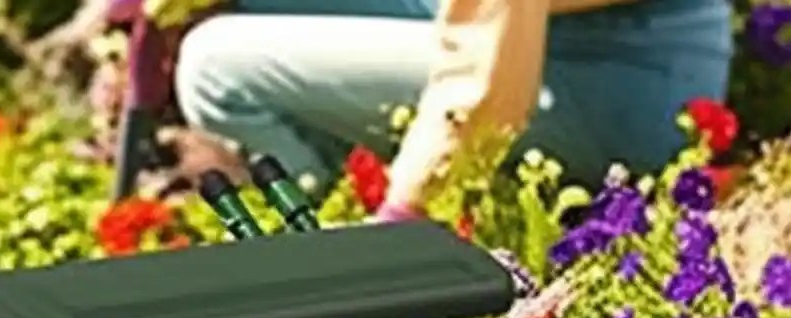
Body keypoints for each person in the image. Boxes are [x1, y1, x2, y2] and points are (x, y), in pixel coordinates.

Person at [174, 0, 734, 221]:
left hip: (618, 84)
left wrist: (407, 209)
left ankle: (334, 228)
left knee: (214, 66)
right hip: (599, 43)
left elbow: (486, 71)